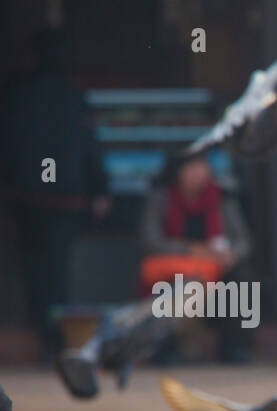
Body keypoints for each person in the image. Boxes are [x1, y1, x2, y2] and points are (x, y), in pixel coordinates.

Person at [0, 28, 111, 361]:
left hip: (27, 197)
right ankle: (54, 341)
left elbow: (7, 146)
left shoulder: (17, 96)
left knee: (34, 269)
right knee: (57, 271)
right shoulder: (73, 98)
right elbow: (90, 149)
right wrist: (101, 189)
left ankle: (41, 331)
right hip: (65, 198)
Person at [139, 152, 253, 362]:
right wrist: (191, 249)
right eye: (191, 168)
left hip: (215, 267)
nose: (197, 174)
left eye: (202, 167)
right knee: (172, 286)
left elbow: (243, 241)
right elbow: (151, 241)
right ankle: (164, 348)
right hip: (177, 267)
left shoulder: (221, 198)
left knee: (242, 279)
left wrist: (231, 254)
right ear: (178, 172)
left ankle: (234, 346)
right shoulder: (162, 197)